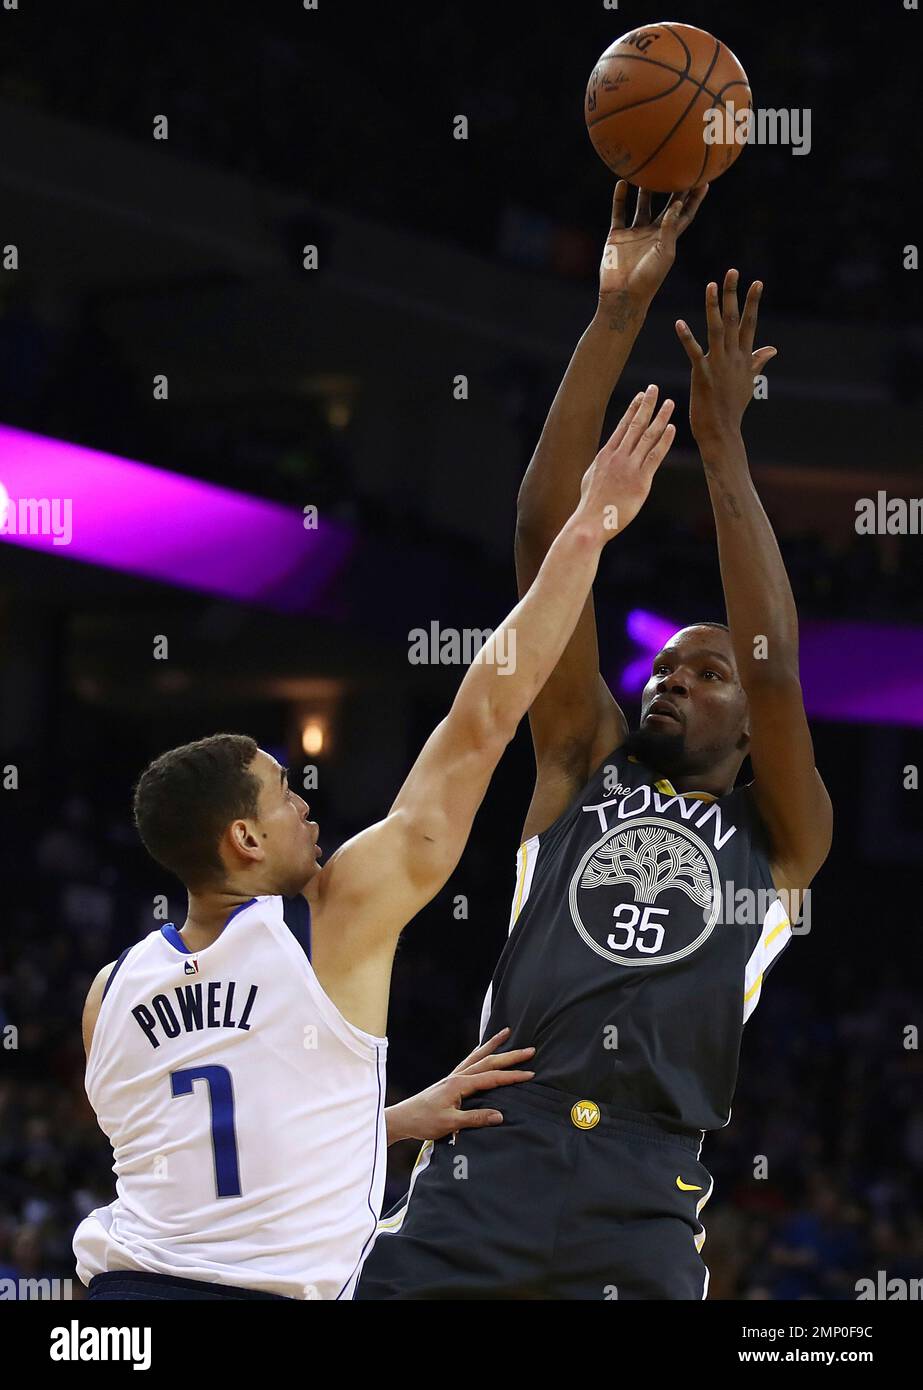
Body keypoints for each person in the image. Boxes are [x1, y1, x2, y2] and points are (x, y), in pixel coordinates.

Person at [73, 384, 677, 1300]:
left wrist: (382, 1120)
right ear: (243, 837)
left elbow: (210, 1155)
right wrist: (591, 527)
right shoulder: (332, 917)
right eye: (284, 796)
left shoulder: (106, 994)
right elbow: (482, 719)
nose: (307, 808)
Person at [357, 186, 833, 1301]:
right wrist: (616, 314)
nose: (671, 678)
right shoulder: (582, 758)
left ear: (745, 728)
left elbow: (770, 661)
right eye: (663, 663)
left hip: (644, 1183)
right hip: (492, 1147)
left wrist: (720, 446)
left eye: (698, 673)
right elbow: (538, 534)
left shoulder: (781, 838)